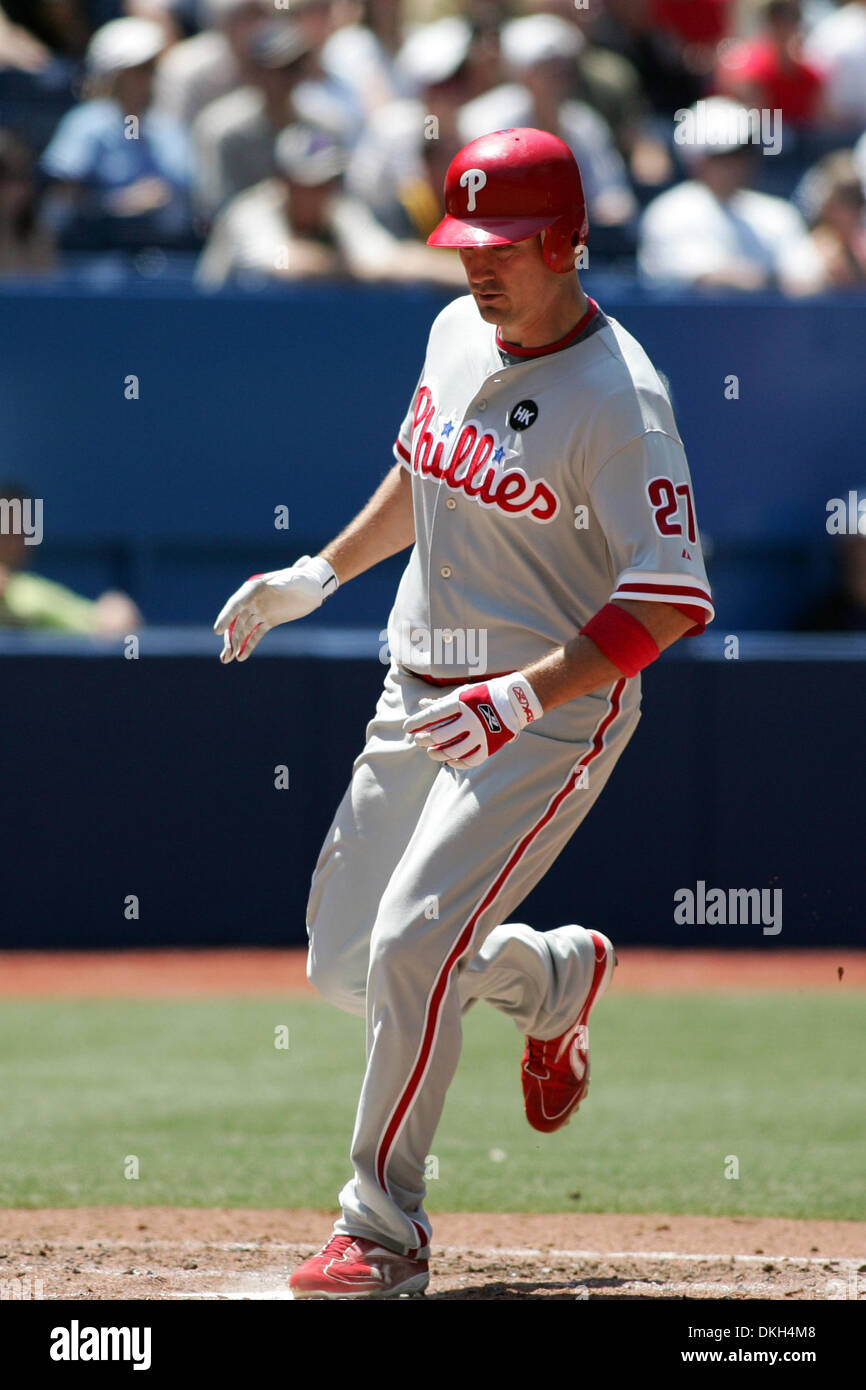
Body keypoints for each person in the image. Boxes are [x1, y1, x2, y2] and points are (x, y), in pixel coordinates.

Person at [214, 128, 714, 1299]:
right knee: (346, 964)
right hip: (417, 689)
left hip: (545, 715)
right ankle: (547, 981)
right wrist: (318, 574)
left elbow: (672, 595)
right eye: (463, 241)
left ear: (564, 241)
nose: (476, 265)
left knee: (407, 947)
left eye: (500, 244)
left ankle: (381, 1230)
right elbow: (424, 466)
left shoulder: (619, 398)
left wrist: (524, 695)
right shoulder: (453, 330)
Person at [196, 121, 465, 287]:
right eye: (308, 183)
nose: (320, 192)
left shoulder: (339, 209)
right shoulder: (249, 212)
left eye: (327, 182)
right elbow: (282, 262)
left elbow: (392, 260)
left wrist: (475, 279)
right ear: (283, 181)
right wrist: (348, 267)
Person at [39, 16, 194, 251]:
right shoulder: (87, 123)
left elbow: (187, 198)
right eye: (139, 71)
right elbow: (62, 204)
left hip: (165, 255)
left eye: (151, 69)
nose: (148, 80)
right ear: (113, 76)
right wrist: (118, 205)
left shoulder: (168, 129)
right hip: (99, 259)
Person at [638, 96, 819, 292]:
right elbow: (700, 280)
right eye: (728, 154)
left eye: (746, 150)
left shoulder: (780, 214)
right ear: (699, 159)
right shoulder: (668, 213)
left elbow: (806, 280)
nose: (740, 162)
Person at [0, 482, 142, 633]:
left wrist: (105, 615)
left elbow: (107, 620)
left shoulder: (22, 587)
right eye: (8, 526)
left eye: (24, 527)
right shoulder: (16, 592)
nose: (19, 537)